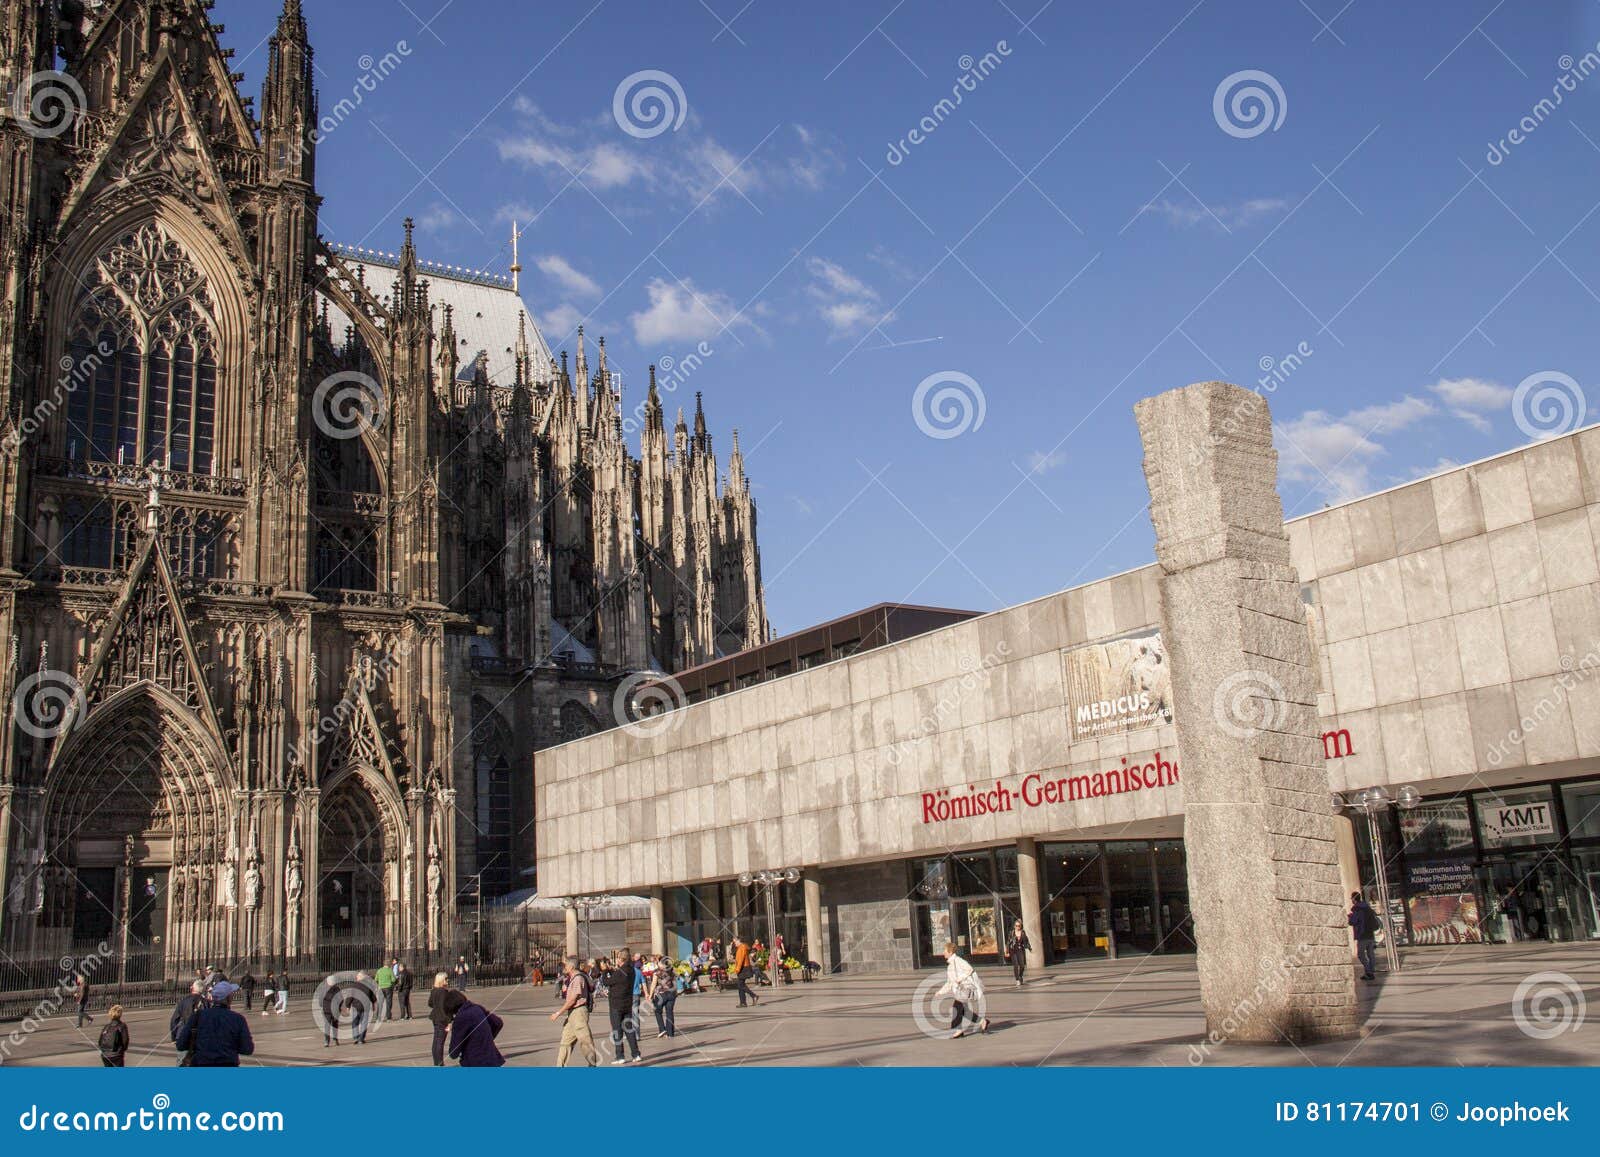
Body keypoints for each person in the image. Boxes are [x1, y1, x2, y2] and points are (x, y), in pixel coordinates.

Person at [175, 980, 255, 1067]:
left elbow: (181, 1044)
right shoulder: (238, 1019)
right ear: (229, 998)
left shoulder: (197, 1016)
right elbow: (247, 1049)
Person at [550, 956, 599, 1067]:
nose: (564, 967)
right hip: (572, 1014)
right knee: (565, 1042)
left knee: (585, 1042)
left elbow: (572, 1000)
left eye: (566, 964)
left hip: (578, 1013)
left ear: (571, 966)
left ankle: (592, 1066)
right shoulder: (572, 978)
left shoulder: (578, 978)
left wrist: (558, 1013)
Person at [938, 942, 989, 1038]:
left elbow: (969, 969)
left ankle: (959, 1030)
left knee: (956, 1007)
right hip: (959, 990)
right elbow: (949, 982)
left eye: (945, 951)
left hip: (965, 988)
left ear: (950, 951)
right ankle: (982, 1021)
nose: (943, 953)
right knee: (964, 1011)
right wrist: (940, 991)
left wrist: (960, 979)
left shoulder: (958, 961)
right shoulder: (950, 966)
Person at [446, 989, 505, 1067]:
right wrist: (486, 1038)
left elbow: (453, 1053)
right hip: (493, 1058)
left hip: (475, 1061)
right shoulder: (477, 1007)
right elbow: (497, 1023)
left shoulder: (461, 1017)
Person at [606, 947, 643, 1064]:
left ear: (620, 959)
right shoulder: (632, 970)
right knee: (629, 1029)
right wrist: (614, 970)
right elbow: (619, 979)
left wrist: (604, 972)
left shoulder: (619, 972)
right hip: (627, 1003)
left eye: (617, 958)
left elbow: (607, 982)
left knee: (617, 1030)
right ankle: (636, 1054)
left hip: (616, 1004)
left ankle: (620, 1056)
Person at [170, 980, 205, 1065]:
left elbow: (174, 1020)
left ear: (192, 988)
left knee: (182, 1062)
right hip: (201, 1038)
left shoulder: (184, 1001)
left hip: (183, 1036)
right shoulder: (206, 1002)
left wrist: (174, 1037)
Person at [1349, 891, 1380, 981]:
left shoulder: (1357, 909)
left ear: (1354, 899)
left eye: (1352, 898)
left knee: (1360, 954)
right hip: (1371, 934)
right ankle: (1371, 971)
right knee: (1371, 954)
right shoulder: (1367, 907)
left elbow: (1353, 921)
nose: (1351, 900)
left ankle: (1368, 972)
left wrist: (1350, 917)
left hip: (1362, 935)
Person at [426, 972, 453, 1065]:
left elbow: (430, 1003)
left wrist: (436, 1005)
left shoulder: (434, 990)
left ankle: (436, 1062)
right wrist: (449, 1021)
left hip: (435, 1018)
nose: (447, 980)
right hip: (442, 1019)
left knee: (436, 1041)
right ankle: (439, 1063)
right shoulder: (443, 992)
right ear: (441, 980)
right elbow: (443, 1007)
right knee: (440, 1042)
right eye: (446, 979)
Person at [648, 955, 677, 1038]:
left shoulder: (657, 972)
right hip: (671, 993)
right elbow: (674, 981)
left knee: (657, 1010)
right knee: (669, 1012)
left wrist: (650, 995)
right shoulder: (671, 970)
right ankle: (670, 1033)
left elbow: (653, 984)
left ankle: (662, 1029)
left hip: (661, 994)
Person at [732, 936, 759, 1007]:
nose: (734, 943)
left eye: (734, 942)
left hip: (743, 968)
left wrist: (737, 969)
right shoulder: (741, 947)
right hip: (743, 968)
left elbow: (740, 959)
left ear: (738, 941)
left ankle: (753, 996)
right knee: (740, 985)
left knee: (741, 985)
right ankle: (743, 1002)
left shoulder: (742, 947)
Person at [348, 971, 373, 1045]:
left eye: (358, 976)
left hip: (356, 1006)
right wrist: (374, 1004)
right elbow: (372, 996)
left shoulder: (354, 985)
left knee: (355, 1022)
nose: (356, 977)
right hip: (365, 1006)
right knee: (364, 1023)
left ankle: (356, 1037)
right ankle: (361, 1038)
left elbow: (350, 996)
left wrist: (347, 1005)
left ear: (361, 977)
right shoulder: (368, 985)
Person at [1006, 920, 1032, 988]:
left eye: (1019, 926)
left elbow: (1026, 940)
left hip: (1020, 950)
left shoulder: (1023, 932)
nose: (1018, 927)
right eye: (1016, 926)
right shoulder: (1011, 933)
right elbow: (1008, 942)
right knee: (1016, 965)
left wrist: (1029, 948)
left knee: (1022, 965)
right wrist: (1007, 952)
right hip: (1013, 950)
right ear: (1014, 926)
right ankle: (1017, 980)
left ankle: (1020, 976)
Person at [320, 975, 342, 1048]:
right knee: (335, 1025)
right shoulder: (337, 989)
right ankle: (335, 1039)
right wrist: (339, 1007)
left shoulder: (323, 989)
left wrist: (322, 1006)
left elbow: (320, 1000)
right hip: (335, 1010)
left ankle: (327, 1041)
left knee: (327, 1025)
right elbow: (341, 999)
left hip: (326, 1010)